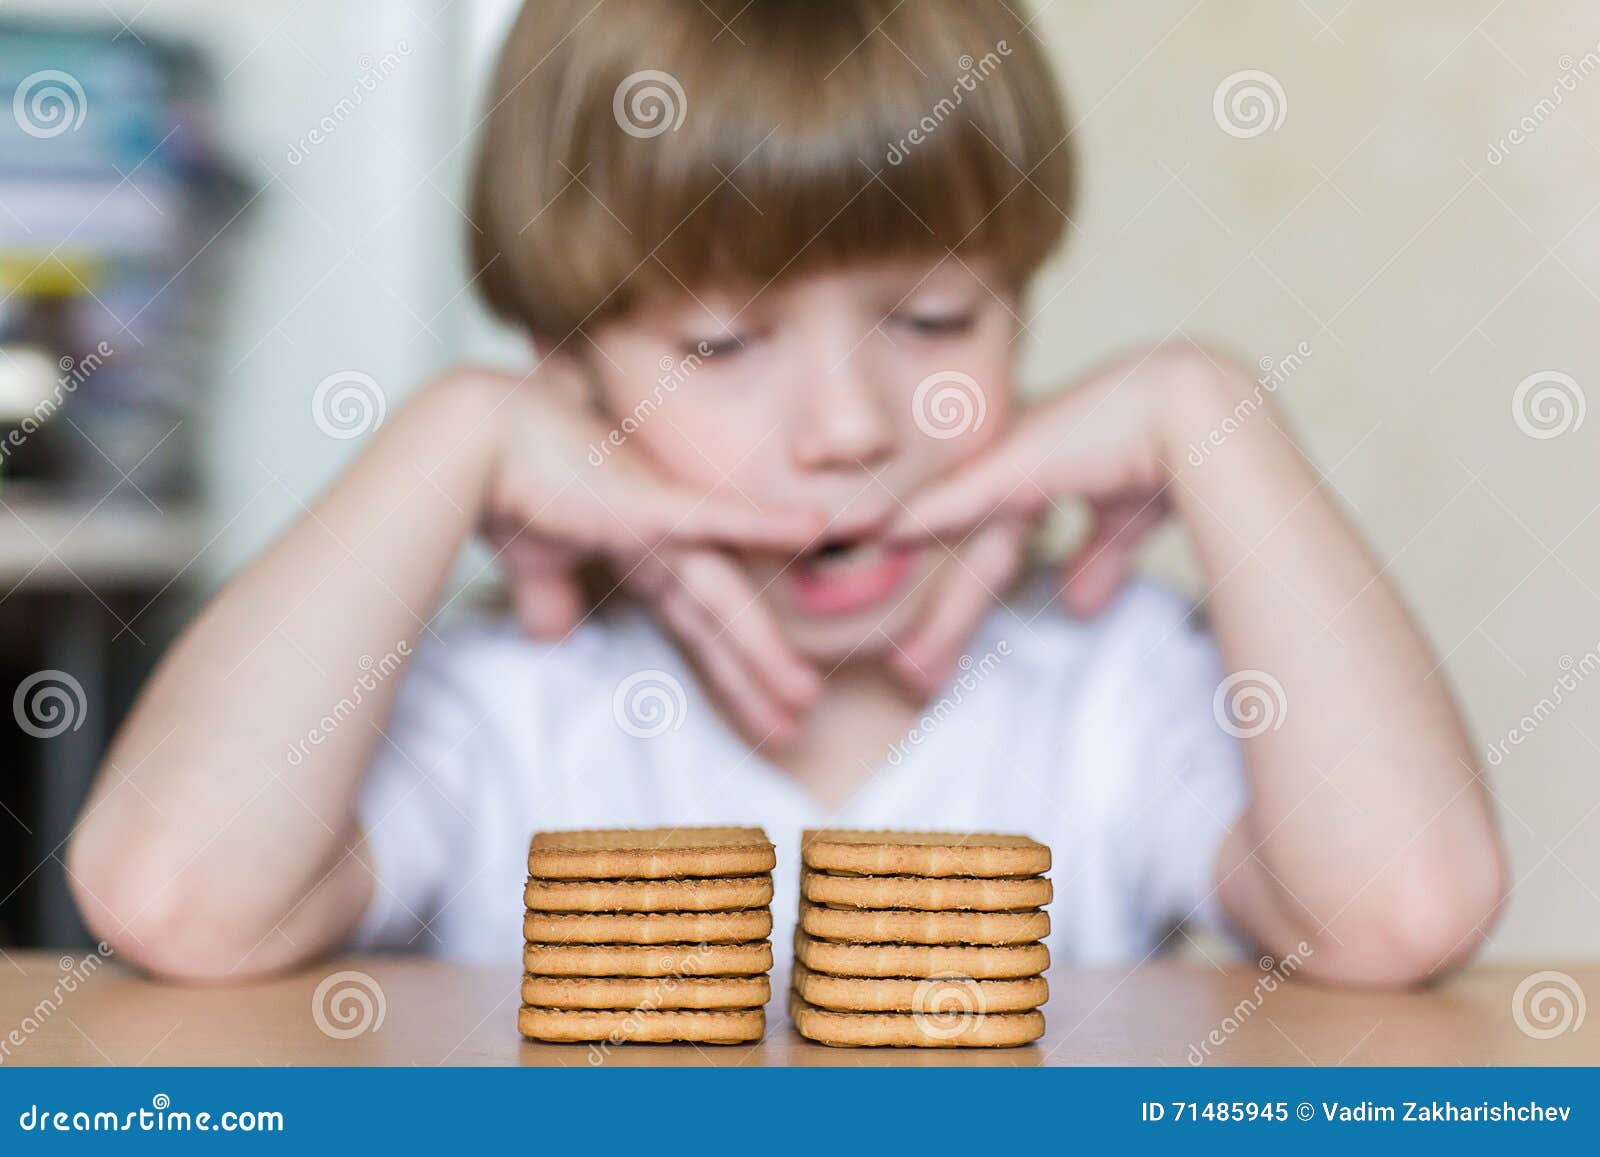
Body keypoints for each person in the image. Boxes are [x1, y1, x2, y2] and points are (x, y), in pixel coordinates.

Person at [68, 0, 1504, 987]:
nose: (846, 426)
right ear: (568, 380)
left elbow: (1405, 903)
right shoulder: (500, 705)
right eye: (720, 344)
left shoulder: (1109, 687)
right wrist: (449, 440)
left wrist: (1214, 415)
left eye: (938, 321)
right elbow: (172, 894)